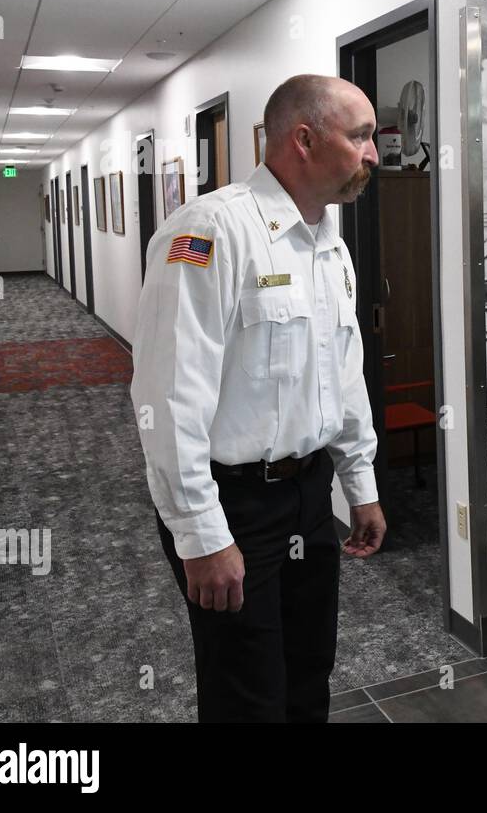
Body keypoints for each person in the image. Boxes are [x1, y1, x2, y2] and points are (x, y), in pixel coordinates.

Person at [131, 74, 387, 722]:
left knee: (307, 676)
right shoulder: (211, 232)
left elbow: (343, 374)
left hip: (307, 493)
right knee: (247, 696)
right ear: (303, 139)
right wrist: (200, 534)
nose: (374, 153)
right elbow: (168, 397)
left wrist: (361, 483)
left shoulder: (329, 244)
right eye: (360, 135)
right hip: (233, 502)